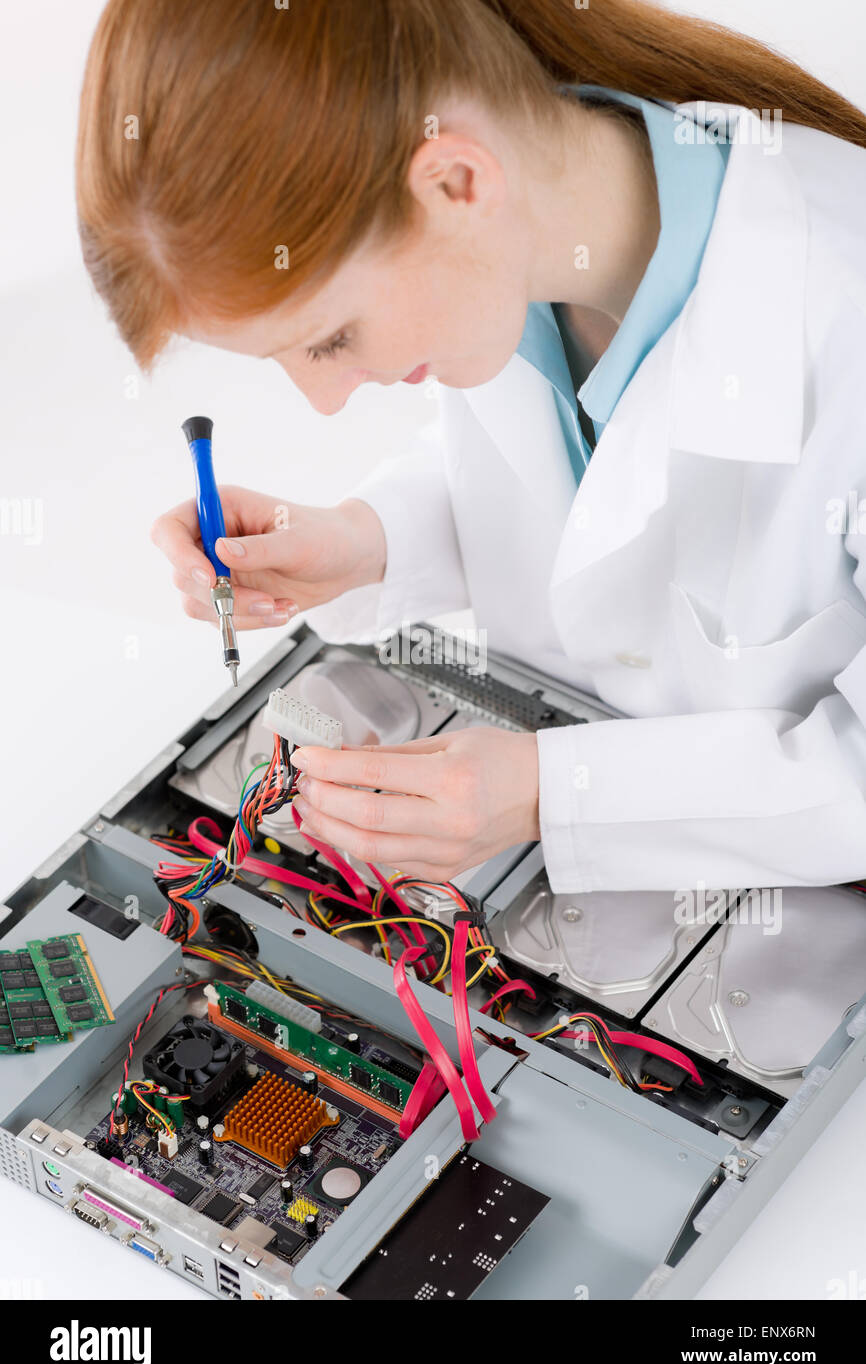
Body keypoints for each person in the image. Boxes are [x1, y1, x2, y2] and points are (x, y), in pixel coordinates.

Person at [76, 0, 866, 894]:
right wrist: (363, 542)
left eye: (330, 338)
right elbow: (574, 506)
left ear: (456, 182)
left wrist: (549, 795)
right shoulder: (510, 279)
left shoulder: (845, 309)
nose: (327, 400)